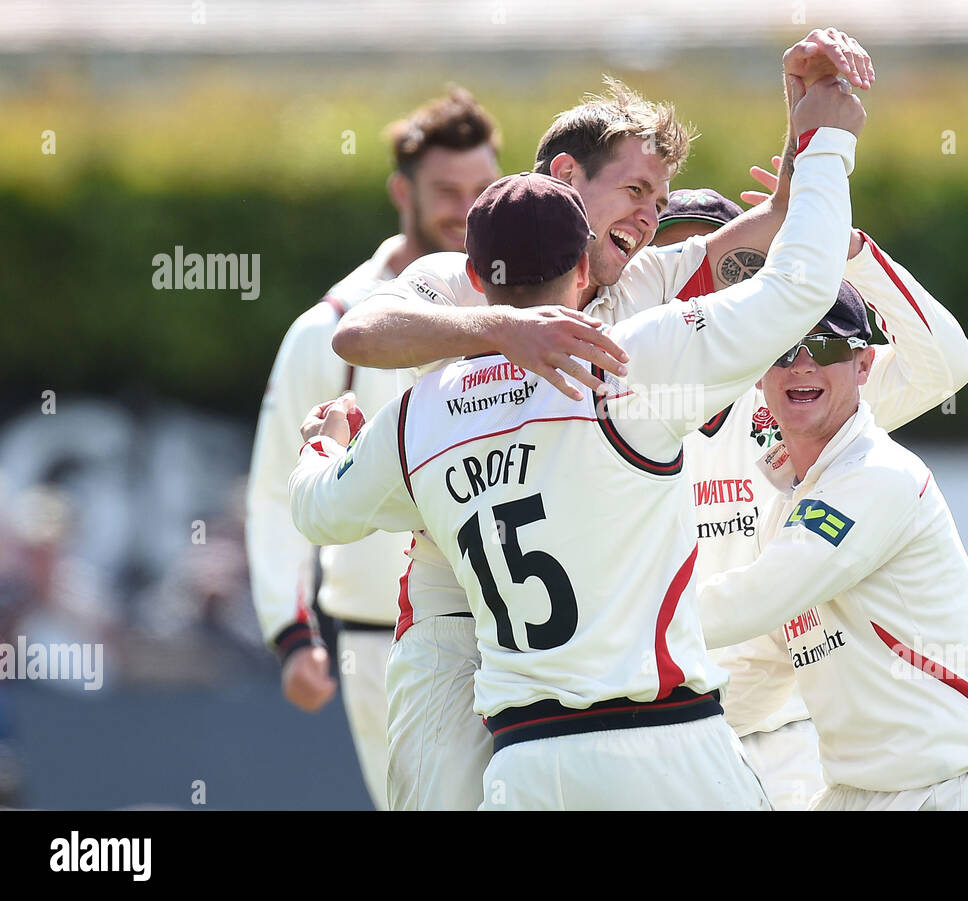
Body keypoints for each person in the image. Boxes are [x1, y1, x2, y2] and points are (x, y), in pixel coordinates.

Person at [326, 30, 876, 810]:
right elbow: (358, 334)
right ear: (564, 175)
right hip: (460, 614)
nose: (652, 216)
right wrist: (502, 328)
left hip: (583, 634)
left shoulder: (647, 278)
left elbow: (783, 218)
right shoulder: (461, 276)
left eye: (660, 199)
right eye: (636, 191)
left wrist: (802, 108)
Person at [650, 187, 968, 808]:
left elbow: (945, 365)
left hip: (800, 739)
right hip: (695, 726)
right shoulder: (623, 408)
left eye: (729, 264)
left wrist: (850, 250)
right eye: (672, 262)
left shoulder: (802, 398)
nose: (695, 288)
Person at [244, 87, 501, 809]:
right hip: (380, 636)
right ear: (402, 192)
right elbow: (274, 486)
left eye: (481, 190)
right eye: (445, 191)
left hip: (511, 628)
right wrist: (291, 632)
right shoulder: (330, 326)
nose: (464, 208)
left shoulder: (527, 308)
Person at [697, 287, 968, 811]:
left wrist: (625, 622)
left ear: (864, 363)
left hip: (943, 790)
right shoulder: (789, 501)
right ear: (756, 371)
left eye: (824, 346)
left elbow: (756, 598)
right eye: (782, 349)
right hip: (855, 794)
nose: (801, 366)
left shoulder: (878, 474)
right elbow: (761, 666)